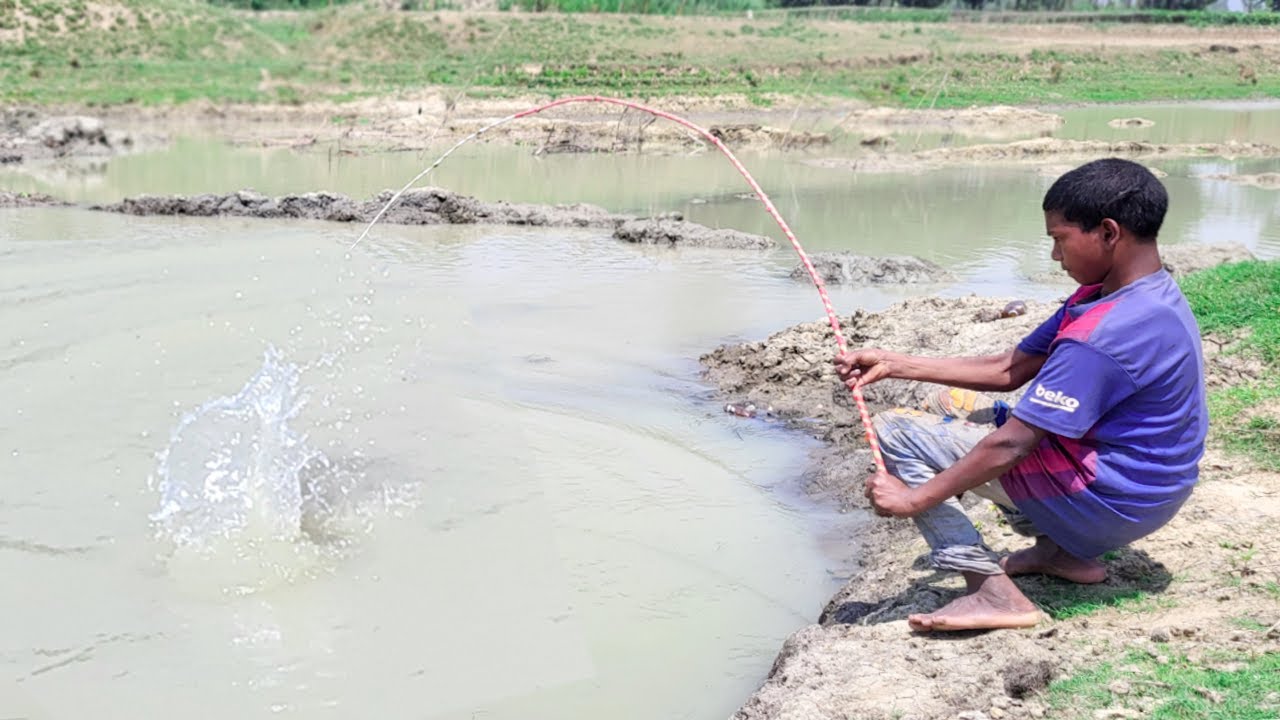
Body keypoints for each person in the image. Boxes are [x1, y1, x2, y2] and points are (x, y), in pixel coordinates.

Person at [833, 158, 1207, 632]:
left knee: (896, 432)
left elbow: (1013, 443)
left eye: (1059, 238)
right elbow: (1010, 368)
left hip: (1113, 501)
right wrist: (896, 363)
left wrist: (915, 499)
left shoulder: (1103, 334)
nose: (1055, 255)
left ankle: (993, 593)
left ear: (1108, 232)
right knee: (944, 404)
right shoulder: (1127, 293)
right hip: (1148, 490)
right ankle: (1061, 552)